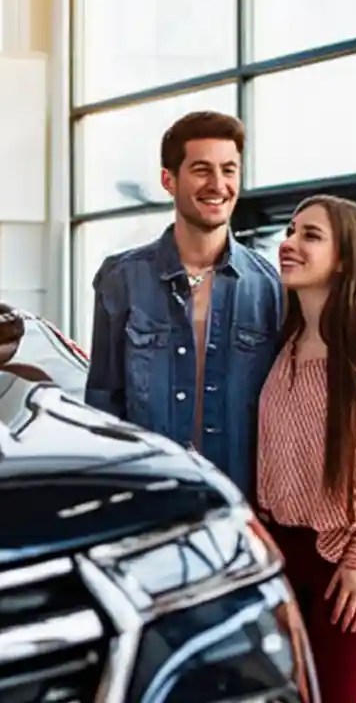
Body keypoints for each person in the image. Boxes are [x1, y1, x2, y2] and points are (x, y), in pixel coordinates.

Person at [255, 195, 356, 703]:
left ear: (346, 257)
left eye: (311, 235)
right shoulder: (289, 340)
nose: (290, 243)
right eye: (291, 231)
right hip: (285, 550)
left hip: (348, 552)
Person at [84, 111, 283, 497]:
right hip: (149, 499)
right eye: (201, 170)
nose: (218, 184)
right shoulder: (121, 278)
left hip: (237, 508)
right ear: (168, 180)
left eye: (229, 170)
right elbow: (103, 404)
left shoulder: (267, 285)